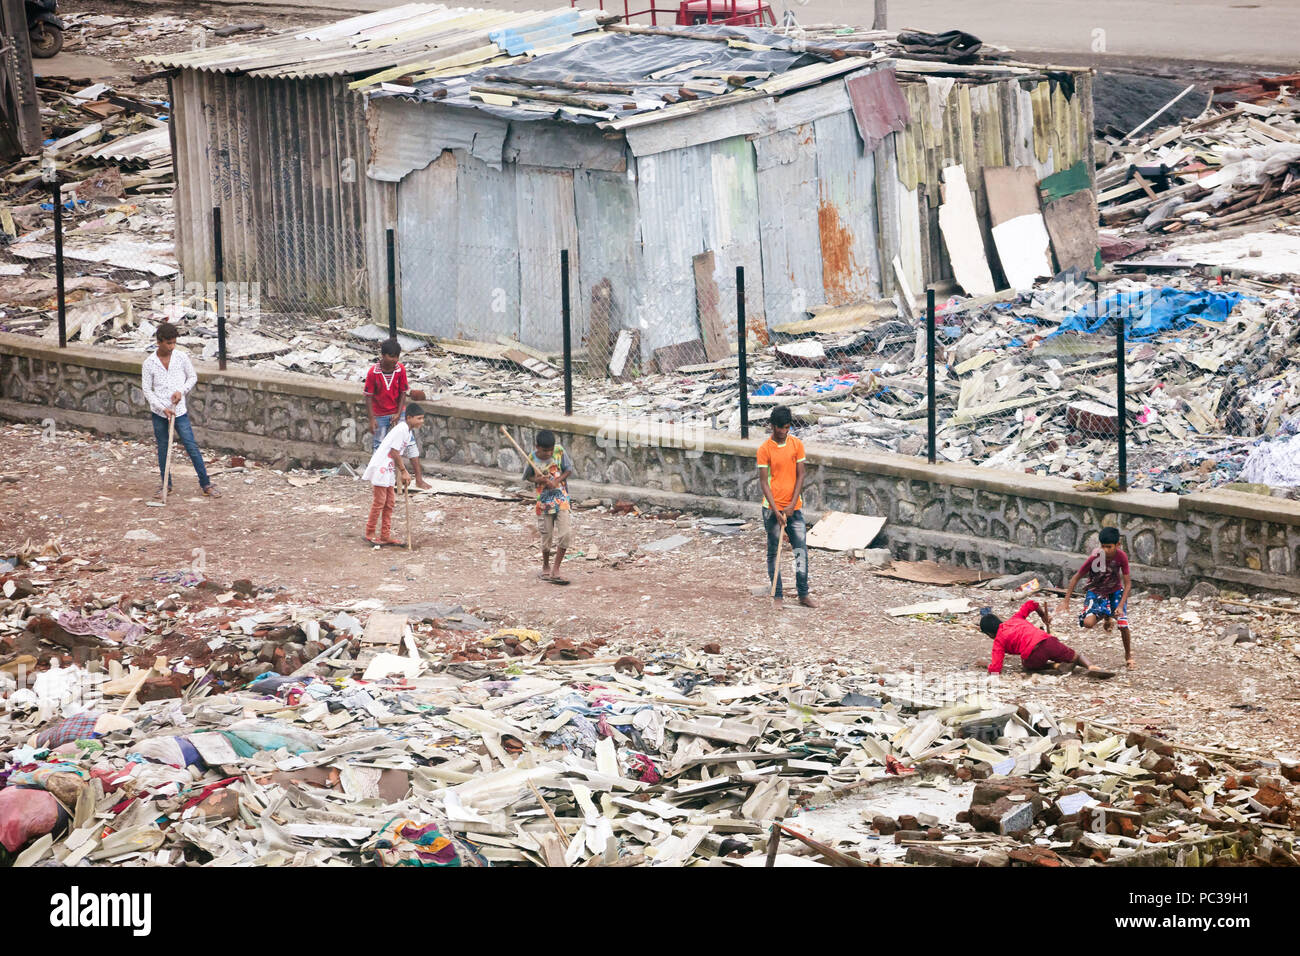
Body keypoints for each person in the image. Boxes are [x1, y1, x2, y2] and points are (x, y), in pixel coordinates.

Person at [140, 322, 220, 498]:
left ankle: (206, 484)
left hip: (180, 411)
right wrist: (162, 408)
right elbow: (147, 390)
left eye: (174, 343)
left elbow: (192, 377)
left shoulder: (181, 357)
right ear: (159, 342)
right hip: (160, 413)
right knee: (163, 448)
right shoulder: (149, 363)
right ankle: (166, 485)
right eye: (168, 343)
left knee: (191, 446)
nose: (171, 347)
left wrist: (181, 392)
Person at [757, 405, 813, 607]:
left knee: (800, 550)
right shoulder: (764, 449)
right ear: (772, 426)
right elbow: (764, 482)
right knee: (774, 552)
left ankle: (803, 594)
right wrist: (776, 510)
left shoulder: (796, 444)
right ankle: (778, 595)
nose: (783, 431)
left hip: (793, 509)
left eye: (786, 427)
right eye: (779, 427)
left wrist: (790, 506)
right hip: (771, 509)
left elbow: (801, 475)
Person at [1058, 526, 1134, 667]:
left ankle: (1128, 655)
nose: (1105, 550)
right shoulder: (1096, 557)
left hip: (1115, 591)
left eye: (1109, 547)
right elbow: (1076, 577)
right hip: (1097, 591)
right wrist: (1066, 601)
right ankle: (1106, 615)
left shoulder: (1121, 556)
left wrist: (1120, 606)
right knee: (1088, 623)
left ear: (1118, 545)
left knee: (1123, 623)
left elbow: (1128, 584)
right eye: (1103, 546)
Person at [364, 339, 429, 488]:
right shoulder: (373, 372)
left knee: (410, 444)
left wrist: (399, 413)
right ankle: (379, 481)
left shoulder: (400, 370)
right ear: (383, 355)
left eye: (396, 357)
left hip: (398, 413)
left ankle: (419, 479)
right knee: (380, 447)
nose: (394, 360)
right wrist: (372, 418)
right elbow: (368, 396)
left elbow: (402, 393)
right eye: (391, 356)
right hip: (380, 414)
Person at [361, 403, 426, 546]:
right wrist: (403, 471)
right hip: (381, 466)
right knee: (379, 502)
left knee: (389, 502)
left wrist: (401, 471)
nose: (422, 421)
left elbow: (399, 453)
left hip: (388, 468)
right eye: (419, 418)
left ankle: (385, 535)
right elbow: (394, 452)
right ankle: (370, 532)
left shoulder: (408, 432)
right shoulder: (401, 430)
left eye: (422, 418)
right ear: (409, 417)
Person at [981, 600, 1104, 675]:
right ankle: (1091, 666)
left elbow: (996, 669)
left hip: (1033, 653)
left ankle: (1053, 666)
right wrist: (1043, 615)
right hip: (1048, 641)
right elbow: (1031, 604)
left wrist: (986, 664)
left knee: (1026, 666)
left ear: (989, 634)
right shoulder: (1015, 619)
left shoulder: (998, 641)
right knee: (1075, 656)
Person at [522, 429, 573, 585]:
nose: (548, 453)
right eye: (544, 451)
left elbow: (568, 470)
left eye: (550, 450)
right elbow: (527, 477)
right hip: (543, 503)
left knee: (565, 534)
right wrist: (538, 479)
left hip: (561, 499)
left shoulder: (559, 452)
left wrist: (557, 481)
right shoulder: (531, 458)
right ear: (537, 447)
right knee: (547, 536)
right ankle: (545, 566)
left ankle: (556, 569)